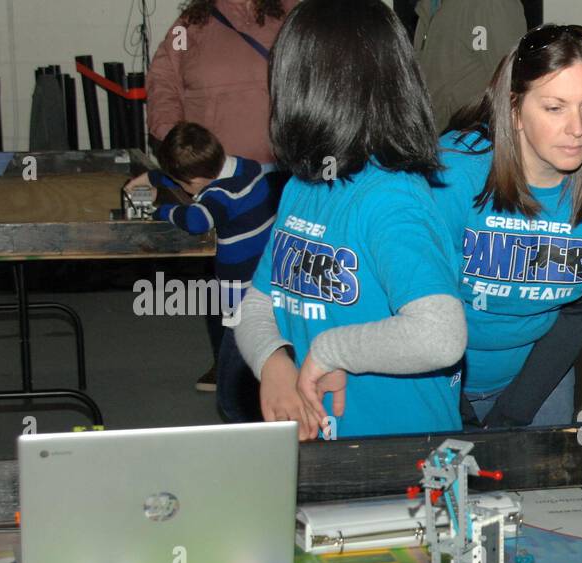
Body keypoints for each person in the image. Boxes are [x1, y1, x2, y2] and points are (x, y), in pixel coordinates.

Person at [232, 0, 465, 440]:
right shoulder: (305, 185)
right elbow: (257, 304)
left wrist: (328, 350)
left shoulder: (391, 200)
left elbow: (441, 335)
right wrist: (273, 362)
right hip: (326, 448)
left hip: (403, 458)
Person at [433, 23, 582, 429]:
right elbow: (414, 303)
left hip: (537, 373)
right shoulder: (453, 173)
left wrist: (513, 412)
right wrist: (457, 409)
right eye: (555, 107)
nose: (577, 129)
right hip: (434, 373)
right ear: (514, 111)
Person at [146, 0, 299, 392]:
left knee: (287, 271)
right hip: (215, 179)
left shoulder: (293, 13)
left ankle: (288, 356)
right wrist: (174, 143)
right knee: (223, 275)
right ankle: (227, 359)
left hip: (284, 174)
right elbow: (162, 80)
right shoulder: (192, 24)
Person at [125, 122, 276, 423]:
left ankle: (249, 431)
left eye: (182, 184)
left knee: (232, 389)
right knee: (262, 360)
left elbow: (196, 221)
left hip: (244, 295)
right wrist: (155, 175)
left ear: (192, 181)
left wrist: (158, 206)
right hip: (270, 283)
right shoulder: (249, 168)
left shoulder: (220, 195)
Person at [412, 0, 529, 134]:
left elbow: (511, 83)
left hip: (473, 143)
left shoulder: (492, 4)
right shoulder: (430, 4)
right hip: (435, 139)